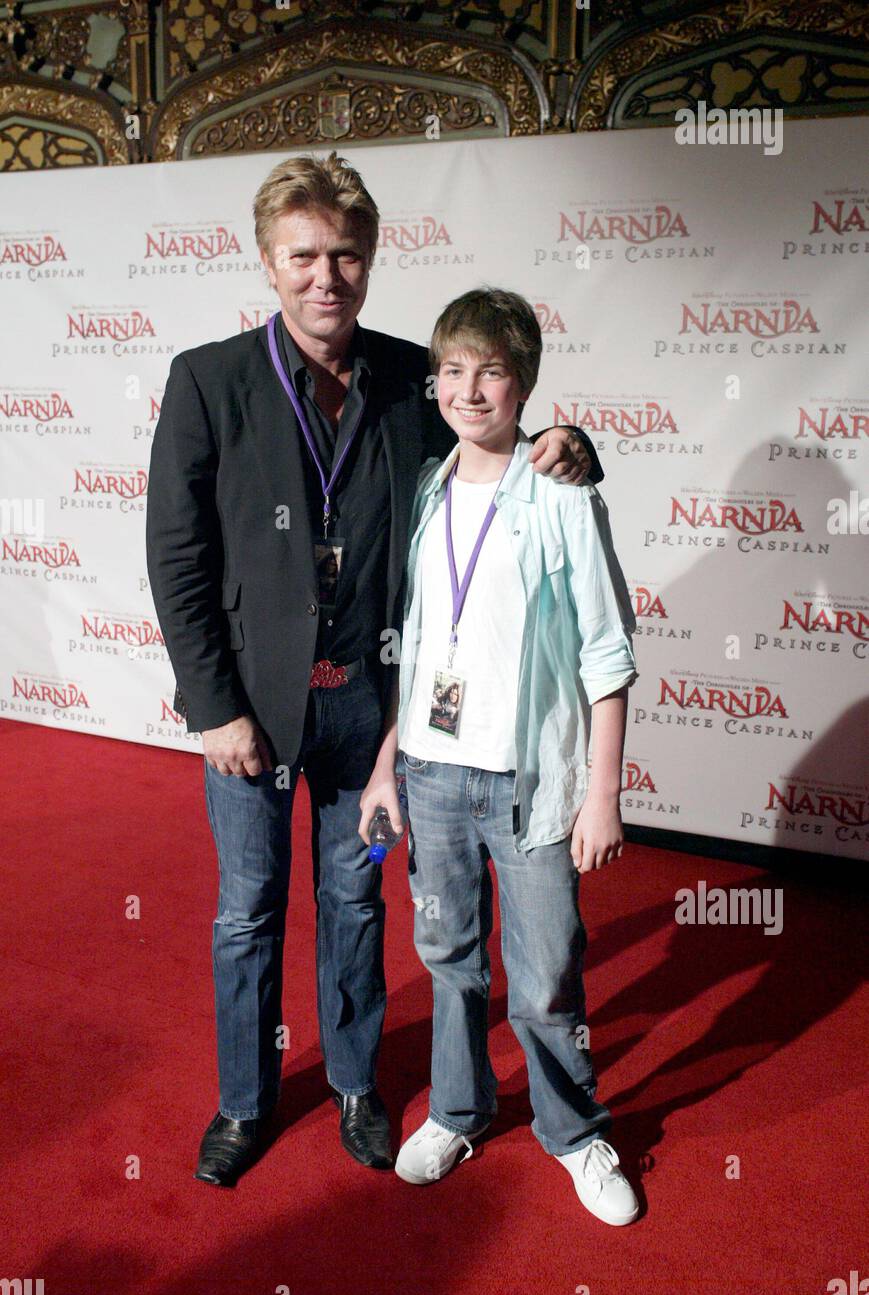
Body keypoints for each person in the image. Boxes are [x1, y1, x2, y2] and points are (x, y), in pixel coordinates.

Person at [145, 152, 603, 1187]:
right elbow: (176, 558)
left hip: (372, 711)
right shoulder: (206, 380)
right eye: (303, 255)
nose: (326, 276)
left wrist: (568, 443)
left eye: (345, 254)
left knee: (354, 907)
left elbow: (496, 439)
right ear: (268, 261)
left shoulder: (408, 375)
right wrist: (213, 707)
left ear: (369, 260)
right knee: (247, 911)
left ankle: (356, 1085)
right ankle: (244, 1099)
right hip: (249, 714)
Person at [359, 288, 640, 1224]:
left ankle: (572, 1130)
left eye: (488, 370)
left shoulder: (560, 493)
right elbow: (423, 644)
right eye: (451, 370)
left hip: (528, 783)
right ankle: (458, 1108)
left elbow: (606, 653)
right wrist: (385, 768)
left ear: (521, 383)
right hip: (432, 774)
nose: (467, 389)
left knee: (548, 971)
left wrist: (602, 794)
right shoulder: (432, 485)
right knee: (448, 958)